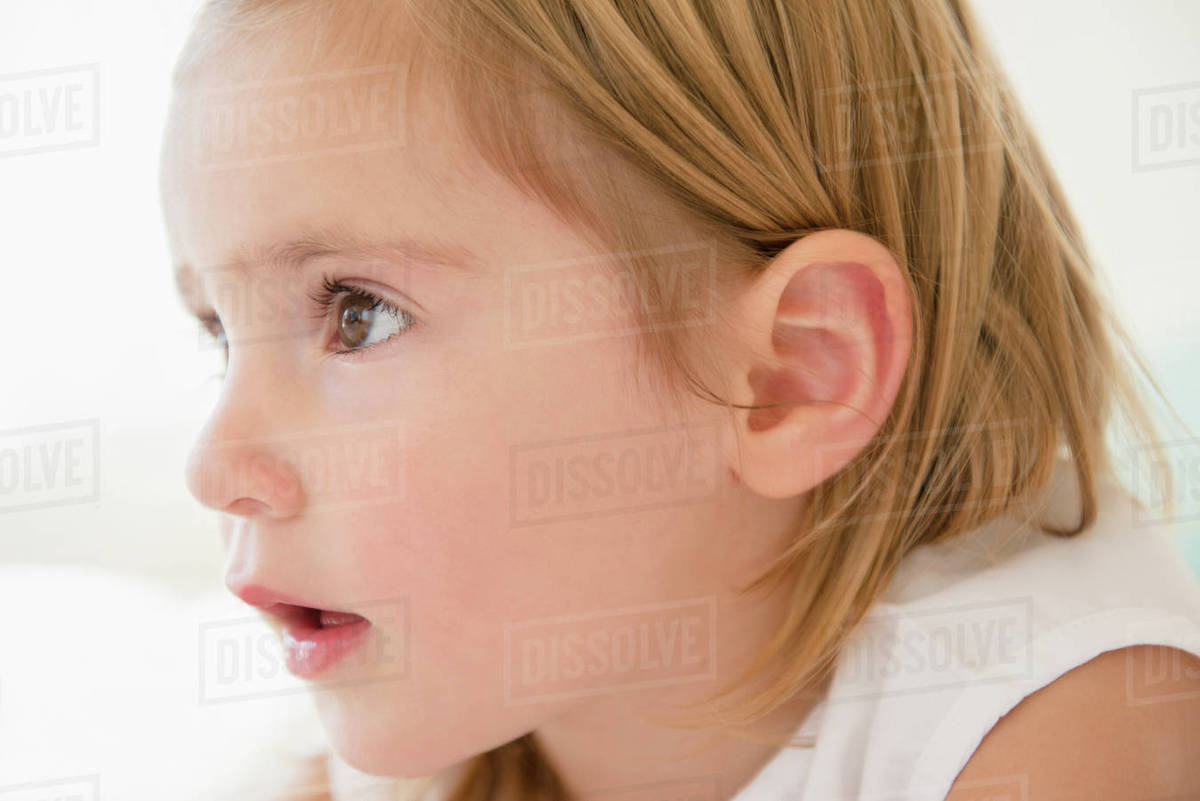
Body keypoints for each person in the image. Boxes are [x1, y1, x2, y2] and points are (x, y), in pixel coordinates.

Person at [159, 0, 1200, 798]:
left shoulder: (1060, 721)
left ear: (789, 379)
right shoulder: (441, 700)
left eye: (360, 313)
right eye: (217, 329)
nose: (214, 465)